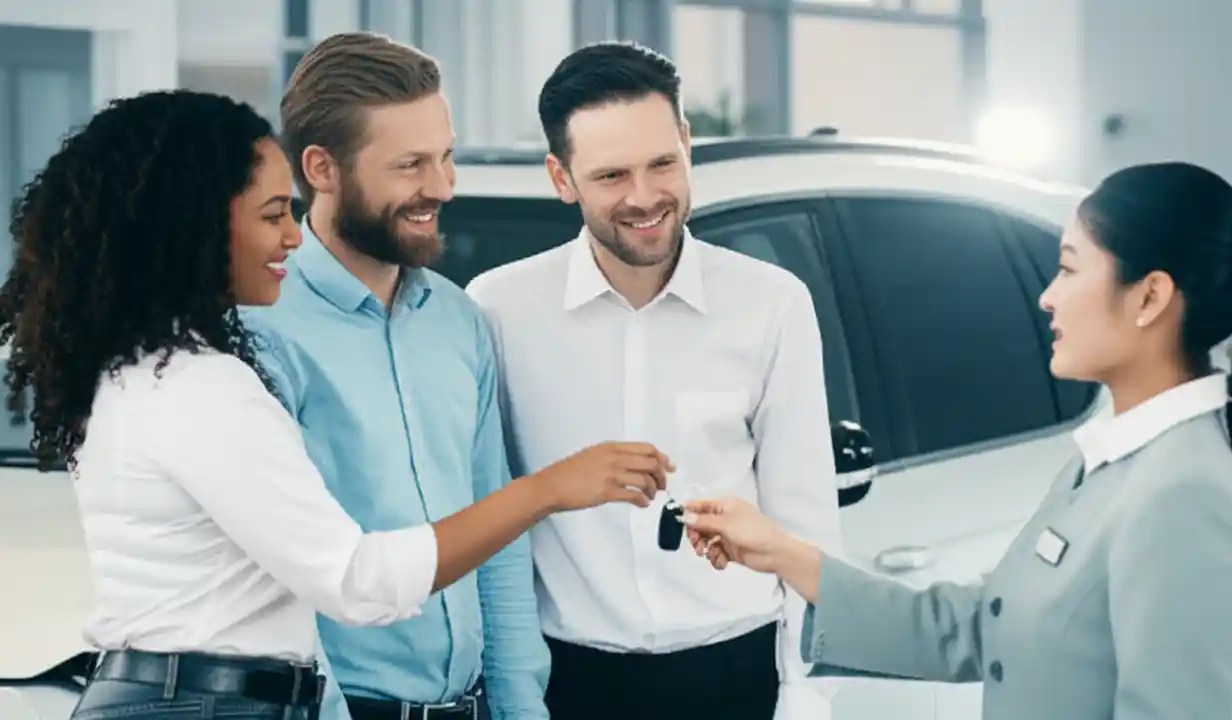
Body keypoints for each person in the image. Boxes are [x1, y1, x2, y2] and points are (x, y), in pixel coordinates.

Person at [3, 89, 668, 720]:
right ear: (195, 228)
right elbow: (356, 581)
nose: (292, 237)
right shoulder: (201, 388)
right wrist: (546, 490)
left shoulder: (146, 373)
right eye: (272, 215)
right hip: (209, 704)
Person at [679, 161, 1232, 720]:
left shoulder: (1184, 493)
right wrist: (780, 551)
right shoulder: (1110, 463)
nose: (1048, 295)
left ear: (1149, 297)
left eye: (1070, 269)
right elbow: (978, 627)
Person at [239, 32, 673, 720]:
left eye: (445, 156)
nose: (442, 186)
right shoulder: (258, 330)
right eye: (411, 165)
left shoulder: (457, 319)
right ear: (321, 168)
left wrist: (519, 707)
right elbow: (272, 581)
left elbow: (498, 542)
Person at [465, 41, 844, 720]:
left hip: (737, 676)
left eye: (661, 164)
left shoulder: (771, 304)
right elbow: (488, 521)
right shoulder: (498, 310)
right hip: (568, 686)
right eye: (612, 175)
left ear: (687, 145)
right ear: (561, 178)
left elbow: (806, 527)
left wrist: (805, 700)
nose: (644, 198)